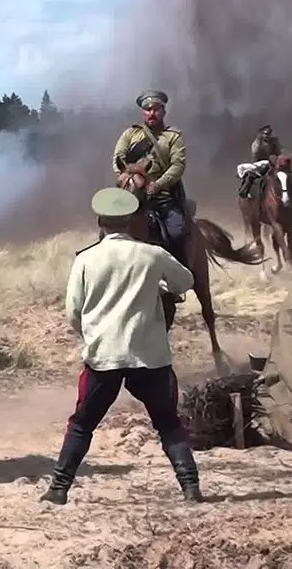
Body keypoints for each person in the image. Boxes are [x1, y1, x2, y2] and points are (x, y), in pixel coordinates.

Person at [40, 188, 203, 506]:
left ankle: (59, 488)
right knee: (168, 423)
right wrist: (161, 285)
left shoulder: (85, 259)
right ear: (130, 221)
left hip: (104, 357)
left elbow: (73, 311)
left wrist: (91, 335)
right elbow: (186, 282)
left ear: (100, 221)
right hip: (151, 356)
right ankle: (190, 487)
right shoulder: (153, 254)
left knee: (82, 424)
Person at [111, 89, 188, 303]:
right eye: (147, 109)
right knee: (107, 229)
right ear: (142, 112)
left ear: (163, 110)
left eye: (156, 109)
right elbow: (117, 158)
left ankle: (172, 282)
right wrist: (124, 178)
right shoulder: (131, 134)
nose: (151, 113)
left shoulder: (173, 136)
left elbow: (178, 165)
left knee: (176, 231)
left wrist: (158, 184)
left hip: (161, 194)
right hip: (131, 192)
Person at [237, 125, 283, 199]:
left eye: (269, 134)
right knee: (248, 173)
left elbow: (278, 153)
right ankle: (245, 190)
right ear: (262, 134)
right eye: (265, 134)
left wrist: (275, 159)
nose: (267, 136)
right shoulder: (257, 143)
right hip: (259, 163)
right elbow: (255, 155)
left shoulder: (274, 141)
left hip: (273, 162)